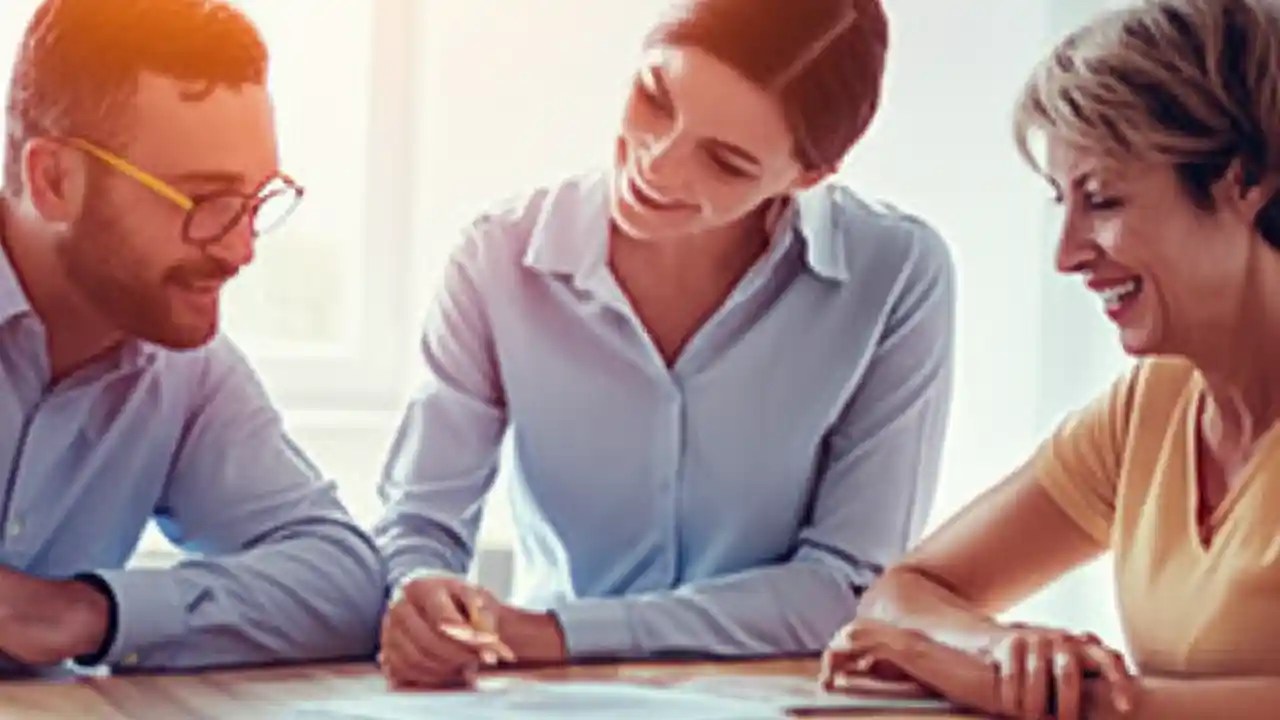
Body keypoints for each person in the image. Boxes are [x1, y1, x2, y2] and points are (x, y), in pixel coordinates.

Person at [376, 0, 955, 689]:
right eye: (655, 99)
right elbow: (419, 522)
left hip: (776, 696)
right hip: (547, 696)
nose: (659, 164)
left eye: (726, 162)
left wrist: (560, 633)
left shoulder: (894, 274)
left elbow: (849, 585)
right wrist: (421, 596)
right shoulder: (498, 258)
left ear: (808, 176)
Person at [820, 0, 1280, 718]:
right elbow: (906, 593)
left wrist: (1056, 698)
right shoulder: (1152, 405)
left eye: (1103, 201)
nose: (1066, 255)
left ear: (1244, 181)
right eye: (1060, 202)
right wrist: (1002, 651)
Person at [0, 0, 384, 672]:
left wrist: (88, 611)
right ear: (54, 180)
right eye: (205, 200)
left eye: (255, 201)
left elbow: (344, 583)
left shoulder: (184, 371)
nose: (240, 250)